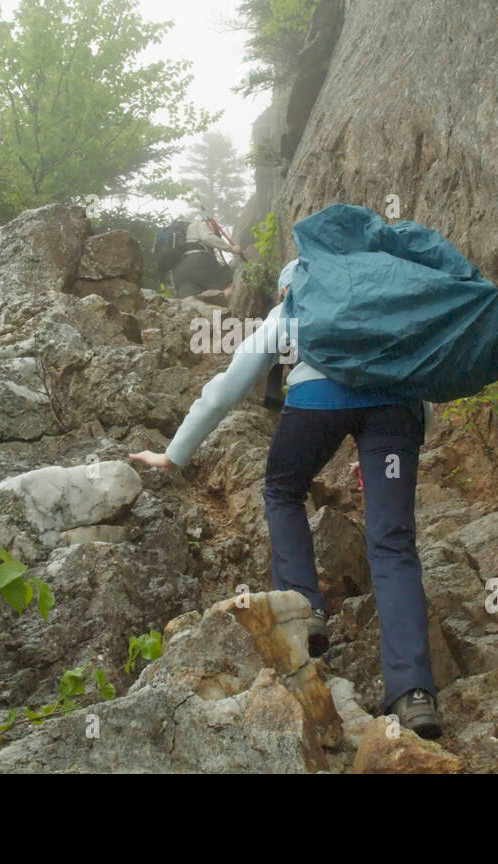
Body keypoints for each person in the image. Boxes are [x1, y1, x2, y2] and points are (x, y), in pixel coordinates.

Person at [129, 258, 443, 738]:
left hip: (316, 402)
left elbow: (226, 389)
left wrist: (175, 455)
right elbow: (414, 387)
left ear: (284, 289)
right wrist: (386, 454)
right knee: (394, 544)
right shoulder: (376, 306)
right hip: (396, 412)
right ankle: (414, 694)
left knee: (282, 490)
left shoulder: (294, 305)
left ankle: (304, 610)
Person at [168, 216, 238, 297]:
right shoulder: (200, 224)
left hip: (178, 269)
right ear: (210, 224)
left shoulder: (181, 235)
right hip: (198, 260)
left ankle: (204, 306)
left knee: (191, 299)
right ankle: (221, 299)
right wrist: (232, 248)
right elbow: (207, 237)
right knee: (229, 284)